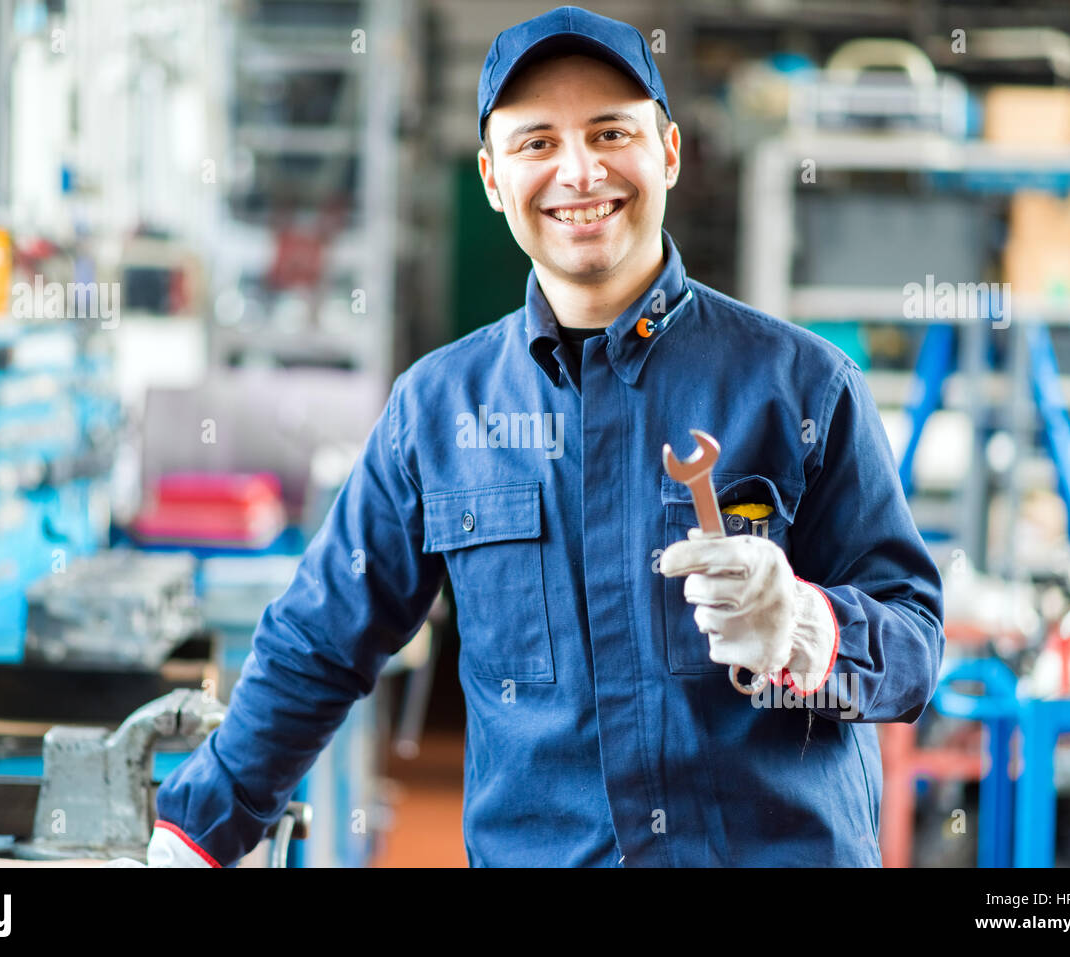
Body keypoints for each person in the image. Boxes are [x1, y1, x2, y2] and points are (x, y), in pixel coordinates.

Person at [148, 5, 945, 867]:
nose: (579, 170)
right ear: (492, 178)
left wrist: (806, 625)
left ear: (668, 152)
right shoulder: (437, 411)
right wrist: (193, 835)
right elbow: (319, 642)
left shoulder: (802, 386)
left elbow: (914, 644)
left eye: (611, 132)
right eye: (536, 143)